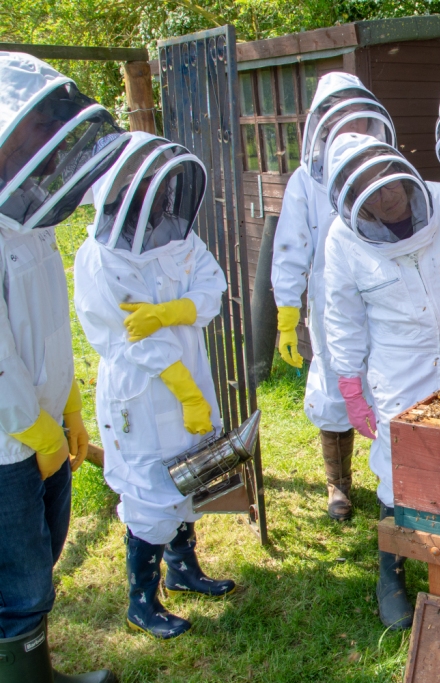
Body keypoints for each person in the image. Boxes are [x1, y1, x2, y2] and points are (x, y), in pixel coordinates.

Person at [322, 132, 440, 629]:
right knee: (399, 468)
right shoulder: (343, 240)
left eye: (385, 175)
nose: (384, 191)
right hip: (400, 366)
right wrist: (350, 385)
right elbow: (343, 317)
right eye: (367, 188)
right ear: (351, 199)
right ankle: (390, 571)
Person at [74, 132, 235, 640]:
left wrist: (173, 311)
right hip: (142, 389)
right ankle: (141, 600)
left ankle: (183, 569)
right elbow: (132, 340)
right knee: (150, 487)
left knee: (189, 470)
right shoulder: (100, 258)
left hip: (190, 371)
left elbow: (213, 286)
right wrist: (184, 390)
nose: (158, 200)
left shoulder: (177, 236)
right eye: (143, 188)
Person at [0, 51, 126, 683]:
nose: (45, 140)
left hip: (42, 425)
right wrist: (36, 427)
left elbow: (47, 331)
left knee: (40, 559)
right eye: (34, 125)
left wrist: (69, 402)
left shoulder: (33, 224)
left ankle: (35, 674)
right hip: (6, 445)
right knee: (17, 580)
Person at [272, 72, 396, 522]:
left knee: (388, 380)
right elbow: (290, 246)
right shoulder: (306, 181)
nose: (353, 130)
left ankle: (393, 480)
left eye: (359, 122)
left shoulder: (384, 167)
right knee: (333, 383)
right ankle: (338, 484)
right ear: (322, 127)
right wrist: (287, 309)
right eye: (341, 121)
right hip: (329, 298)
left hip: (382, 288)